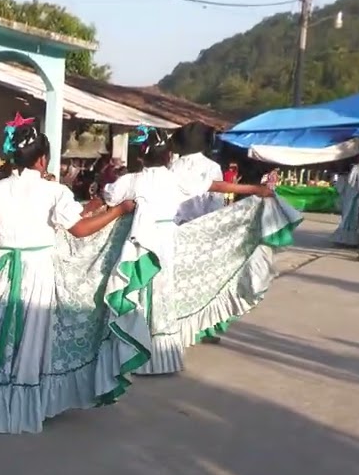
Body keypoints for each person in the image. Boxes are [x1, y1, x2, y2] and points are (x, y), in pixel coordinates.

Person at [0, 116, 152, 433]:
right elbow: (79, 229)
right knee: (31, 338)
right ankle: (22, 408)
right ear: (42, 160)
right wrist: (117, 211)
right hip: (38, 271)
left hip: (3, 270)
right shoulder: (54, 191)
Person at [103, 126, 282, 375]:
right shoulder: (178, 178)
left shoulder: (132, 180)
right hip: (172, 238)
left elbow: (108, 197)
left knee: (138, 292)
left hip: (138, 241)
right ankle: (162, 354)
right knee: (165, 291)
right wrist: (255, 189)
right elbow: (216, 188)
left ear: (141, 156)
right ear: (168, 155)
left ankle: (130, 350)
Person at [169, 122, 226, 224]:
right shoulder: (212, 167)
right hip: (201, 225)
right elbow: (217, 201)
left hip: (176, 223)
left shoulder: (173, 167)